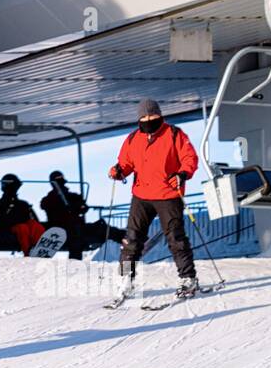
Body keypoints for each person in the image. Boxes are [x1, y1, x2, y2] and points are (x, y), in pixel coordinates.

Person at [109, 98, 200, 303]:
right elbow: (126, 163)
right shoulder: (133, 139)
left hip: (168, 194)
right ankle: (125, 279)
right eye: (144, 117)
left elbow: (189, 158)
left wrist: (183, 174)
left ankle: (188, 278)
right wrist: (119, 171)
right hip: (141, 196)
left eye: (152, 116)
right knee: (130, 241)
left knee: (176, 238)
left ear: (160, 116)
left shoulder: (174, 134)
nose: (149, 120)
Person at [0, 174, 47, 254]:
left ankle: (40, 248)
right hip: (9, 228)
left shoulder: (23, 204)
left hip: (23, 225)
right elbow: (3, 218)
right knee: (22, 228)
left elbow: (31, 218)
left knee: (35, 225)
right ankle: (28, 252)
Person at [40, 171, 89, 259]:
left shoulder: (73, 197)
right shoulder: (50, 199)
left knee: (77, 235)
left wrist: (77, 206)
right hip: (59, 228)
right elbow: (44, 205)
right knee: (75, 236)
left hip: (72, 228)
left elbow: (84, 208)